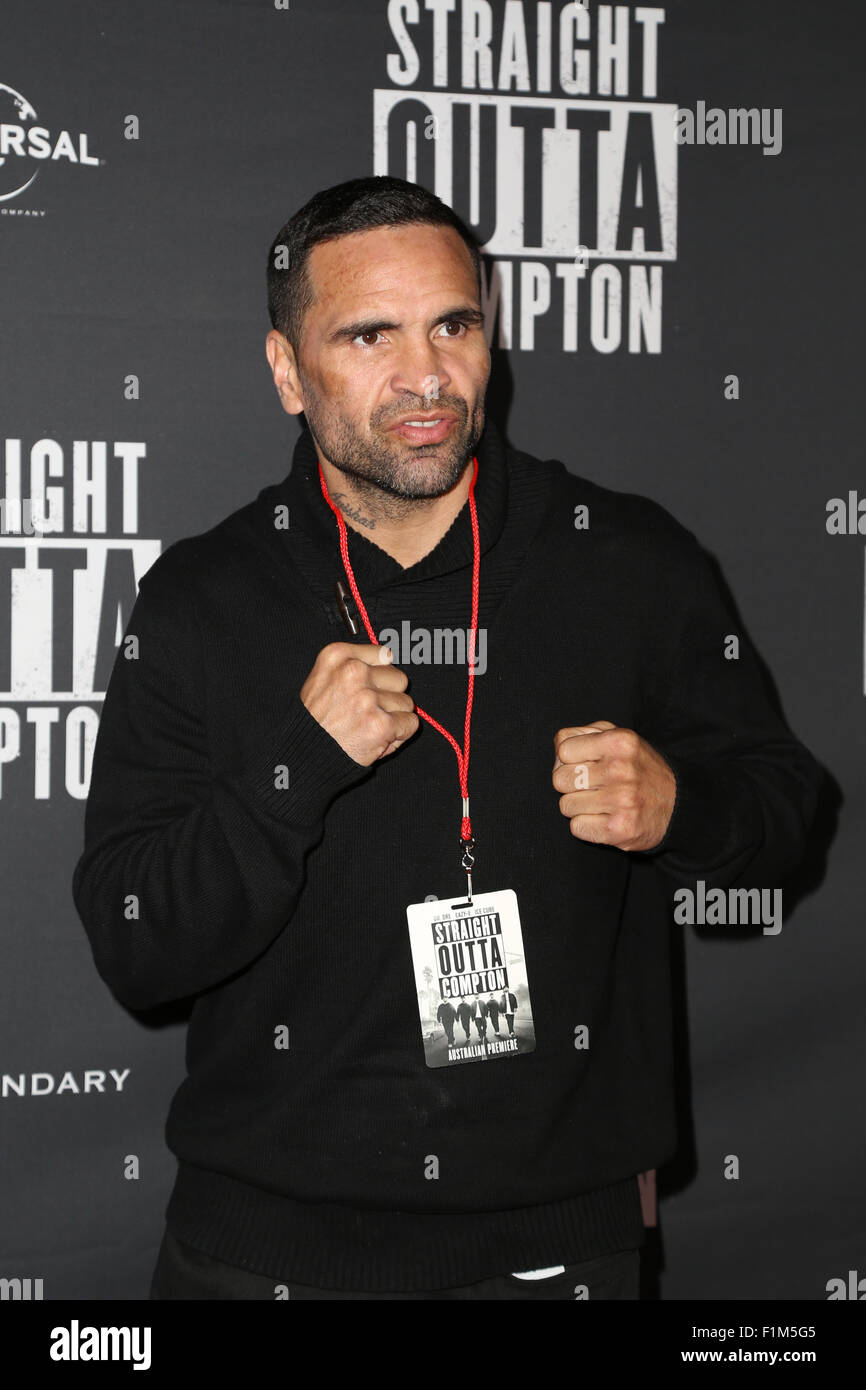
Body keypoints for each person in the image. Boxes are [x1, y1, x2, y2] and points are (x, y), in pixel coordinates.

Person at [72, 175, 822, 1301]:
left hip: (554, 1243)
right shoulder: (201, 599)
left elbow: (784, 817)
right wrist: (293, 770)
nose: (424, 376)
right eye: (368, 334)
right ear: (286, 370)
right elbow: (136, 944)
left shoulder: (624, 560)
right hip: (261, 1251)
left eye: (452, 325)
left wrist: (681, 806)